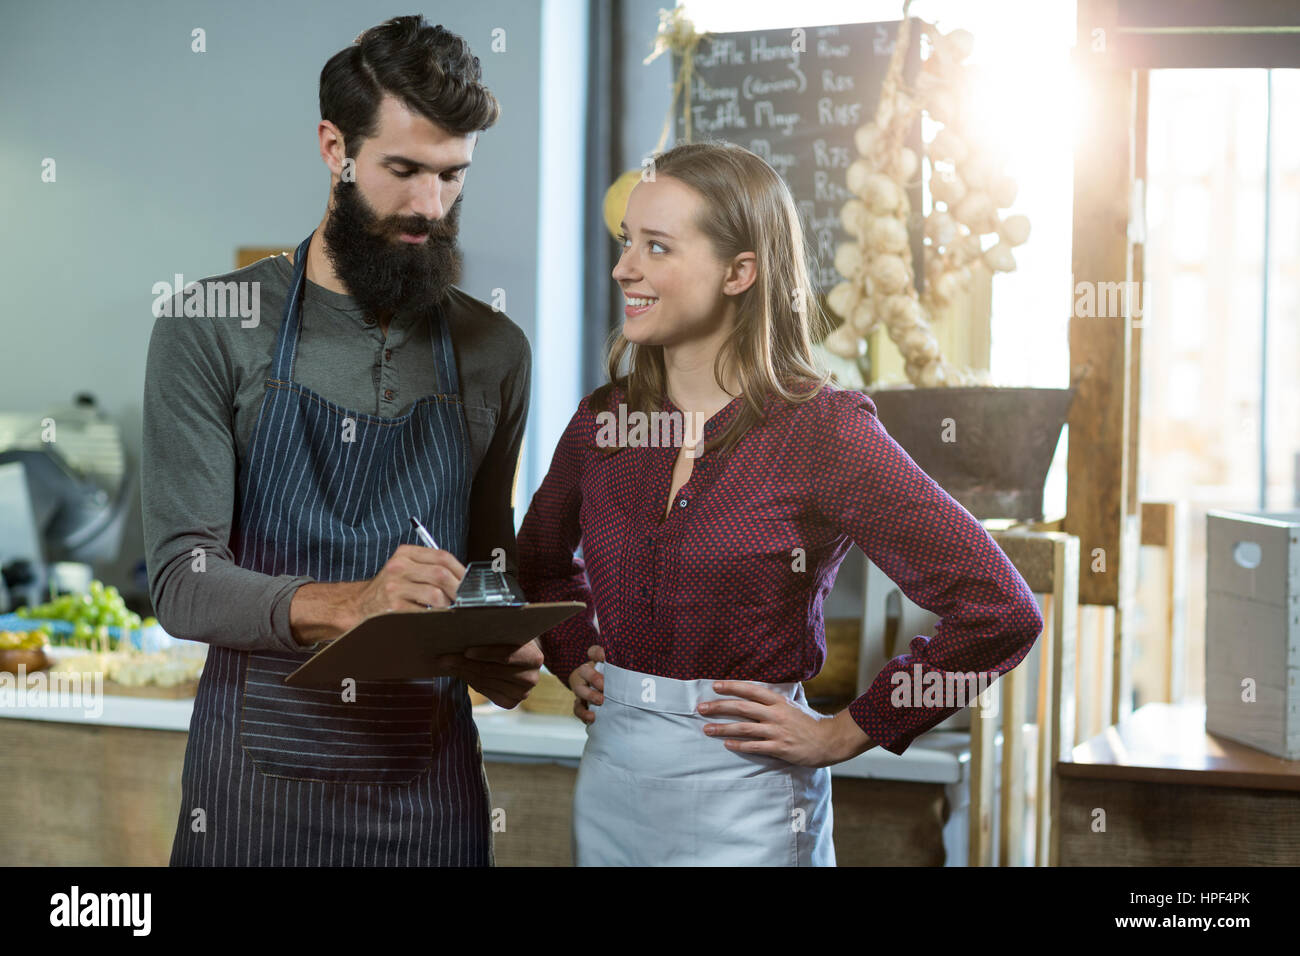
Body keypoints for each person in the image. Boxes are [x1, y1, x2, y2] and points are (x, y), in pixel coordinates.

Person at [517, 141, 1045, 866]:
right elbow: (538, 565)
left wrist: (849, 729)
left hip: (752, 798)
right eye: (626, 243)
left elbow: (1001, 609)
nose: (624, 269)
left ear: (740, 271)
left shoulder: (823, 431)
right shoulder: (603, 423)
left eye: (658, 248)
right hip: (611, 785)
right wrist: (573, 653)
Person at [142, 16, 540, 867]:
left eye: (452, 176)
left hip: (428, 794)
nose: (430, 206)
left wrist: (496, 640)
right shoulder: (211, 328)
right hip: (252, 796)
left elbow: (488, 561)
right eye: (403, 170)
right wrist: (355, 606)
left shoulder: (495, 351)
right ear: (335, 147)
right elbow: (182, 581)